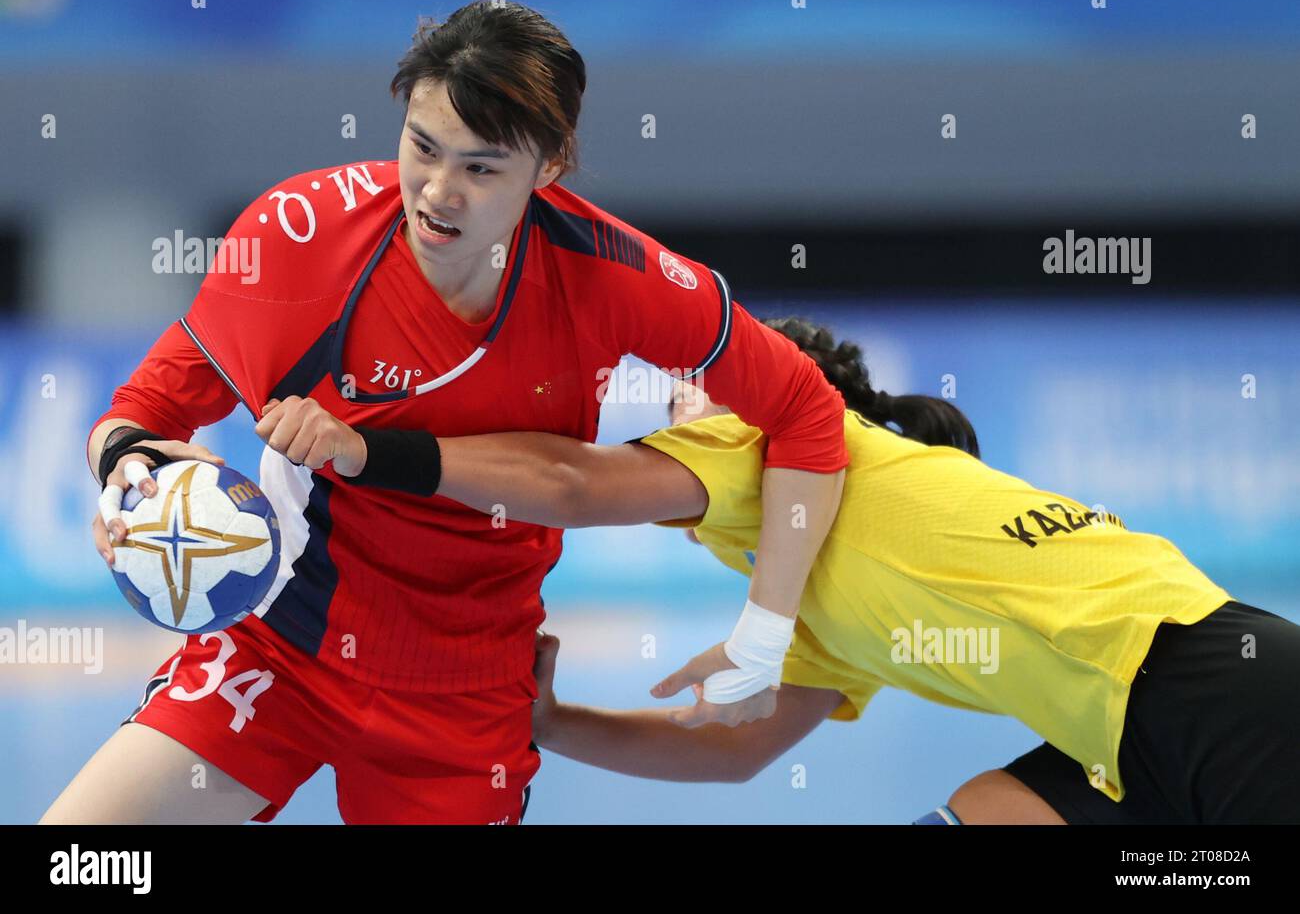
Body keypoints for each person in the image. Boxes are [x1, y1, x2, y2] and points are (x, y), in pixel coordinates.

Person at [43, 1, 847, 825]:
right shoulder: (300, 235)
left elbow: (807, 412)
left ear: (551, 166)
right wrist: (126, 469)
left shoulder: (618, 278)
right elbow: (140, 411)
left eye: (482, 167)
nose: (437, 191)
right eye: (422, 147)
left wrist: (764, 634)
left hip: (463, 698)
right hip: (280, 647)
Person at [361, 315, 1300, 824]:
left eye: (693, 392)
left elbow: (566, 481)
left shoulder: (769, 438)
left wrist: (368, 449)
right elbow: (734, 753)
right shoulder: (808, 595)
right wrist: (553, 722)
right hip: (1115, 750)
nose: (672, 418)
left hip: (1222, 694)